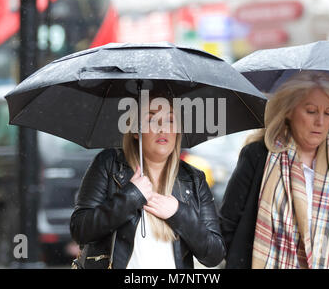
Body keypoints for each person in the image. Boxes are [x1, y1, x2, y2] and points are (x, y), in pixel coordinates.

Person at [220, 71, 329, 269]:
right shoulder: (258, 156)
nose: (320, 121)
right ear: (289, 111)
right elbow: (227, 225)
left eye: (328, 113)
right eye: (311, 111)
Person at [70, 93, 225, 269]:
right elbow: (80, 230)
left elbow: (214, 254)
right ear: (136, 131)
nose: (162, 128)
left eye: (170, 120)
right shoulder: (109, 165)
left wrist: (178, 213)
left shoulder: (193, 179)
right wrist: (130, 196)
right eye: (151, 119)